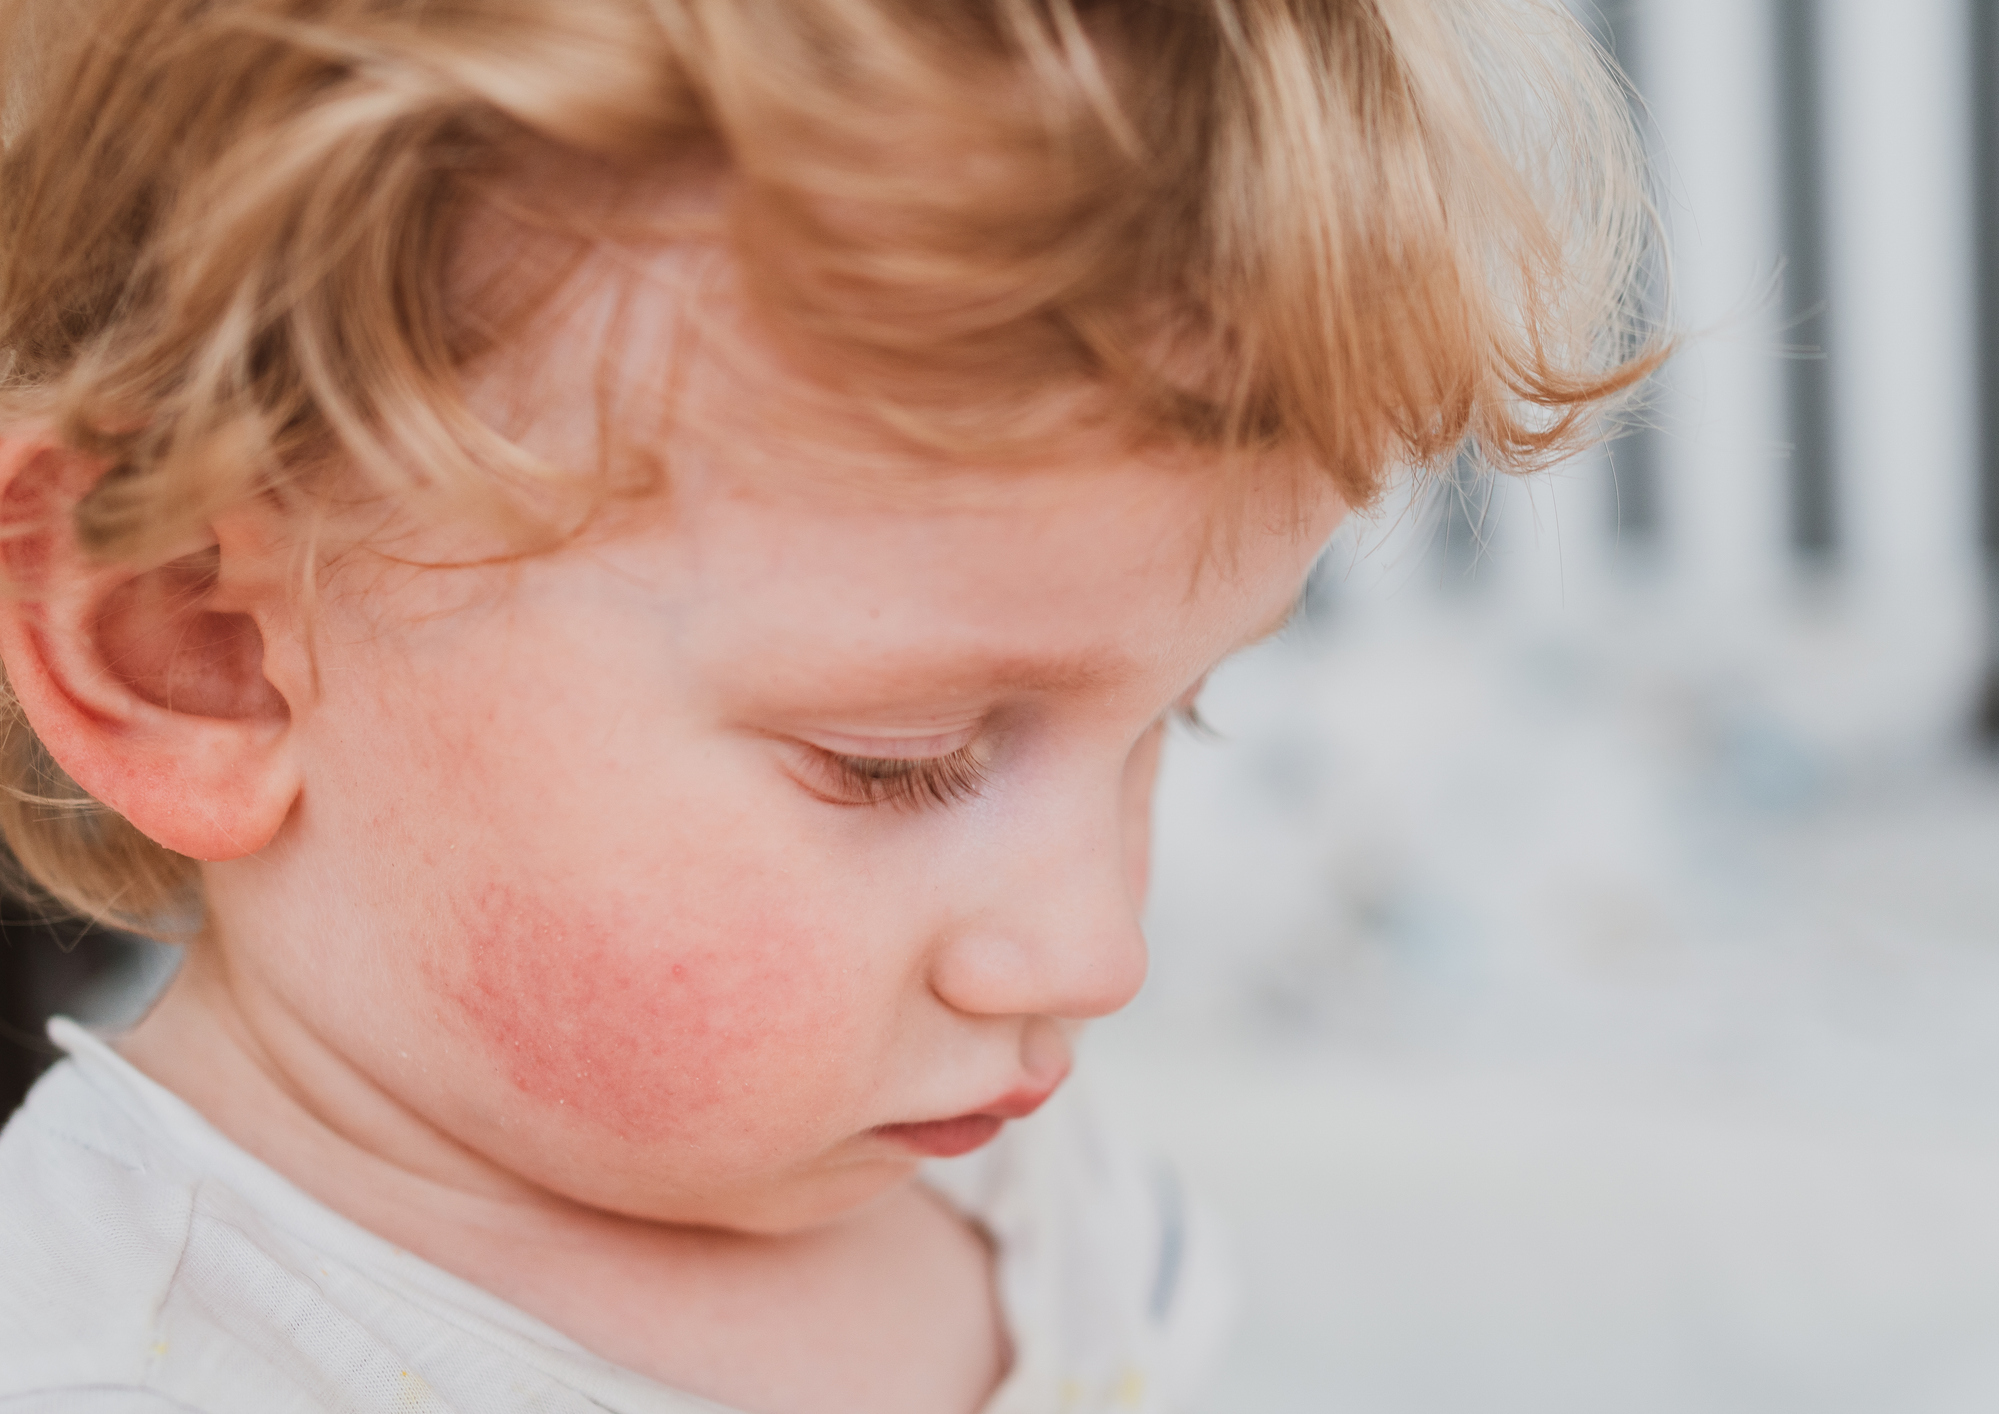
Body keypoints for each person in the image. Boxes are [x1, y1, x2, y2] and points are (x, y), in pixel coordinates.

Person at [0, 2, 1659, 1410]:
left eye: (1176, 718)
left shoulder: (1017, 1201)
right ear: (198, 652)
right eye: (901, 764)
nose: (1096, 953)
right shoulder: (108, 1353)